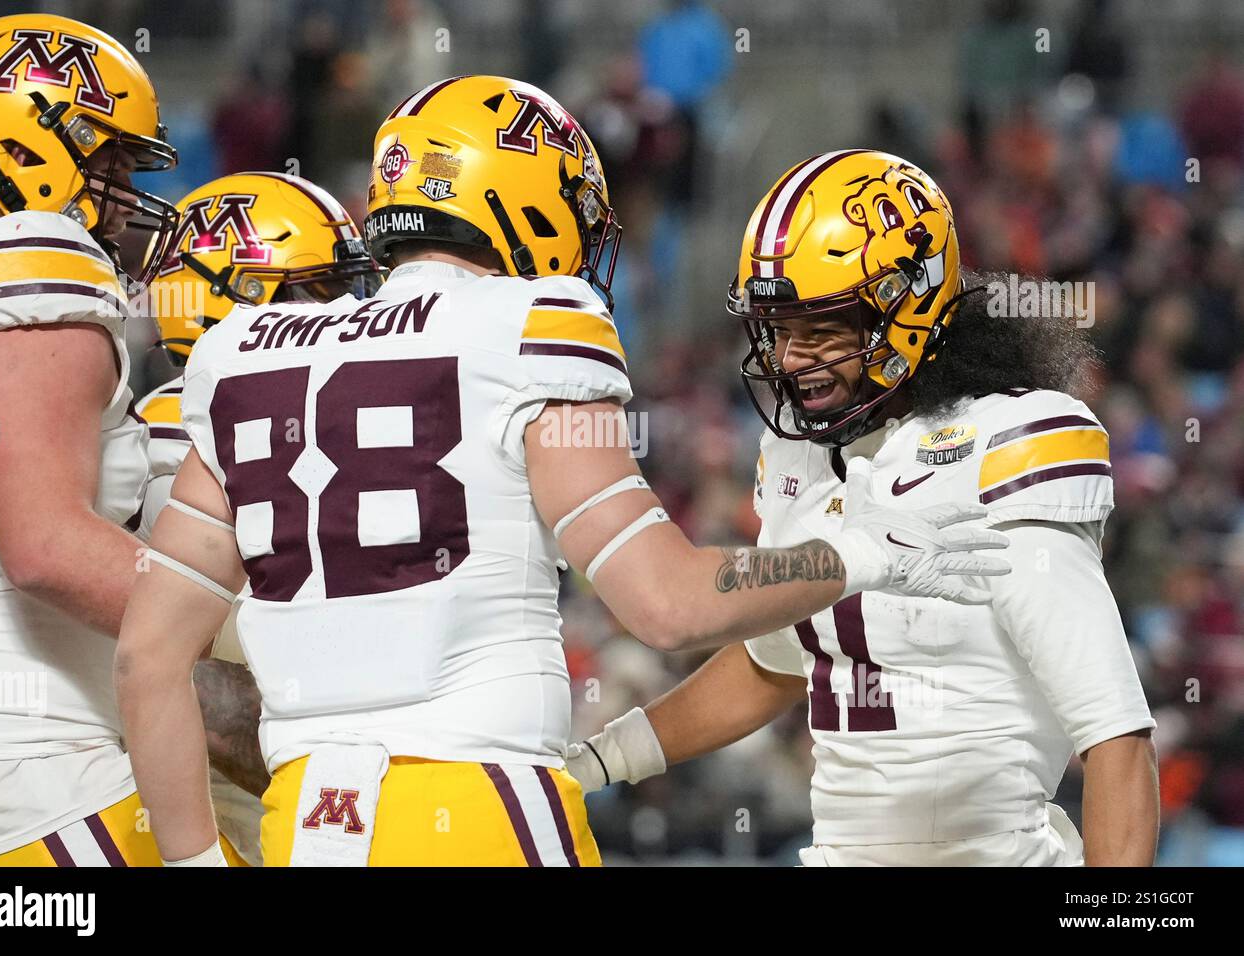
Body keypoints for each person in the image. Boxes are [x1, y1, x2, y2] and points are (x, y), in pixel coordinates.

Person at [114, 80, 1009, 867]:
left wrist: (194, 859)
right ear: (522, 203)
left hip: (304, 819)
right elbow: (669, 604)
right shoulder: (533, 323)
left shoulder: (240, 355)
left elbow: (149, 659)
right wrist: (859, 554)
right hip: (479, 810)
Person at [567, 150, 1160, 867]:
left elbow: (1114, 733)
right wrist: (596, 762)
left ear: (906, 303)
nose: (788, 358)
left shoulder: (1008, 440)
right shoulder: (800, 456)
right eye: (776, 328)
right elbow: (776, 662)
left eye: (819, 328)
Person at [0, 14, 179, 866]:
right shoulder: (27, 272)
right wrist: (254, 628)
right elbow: (46, 547)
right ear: (27, 143)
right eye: (110, 164)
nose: (122, 201)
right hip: (42, 792)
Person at [135, 170, 383, 866]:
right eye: (324, 289)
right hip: (245, 814)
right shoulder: (174, 437)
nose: (354, 310)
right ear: (236, 299)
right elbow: (204, 693)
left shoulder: (311, 411)